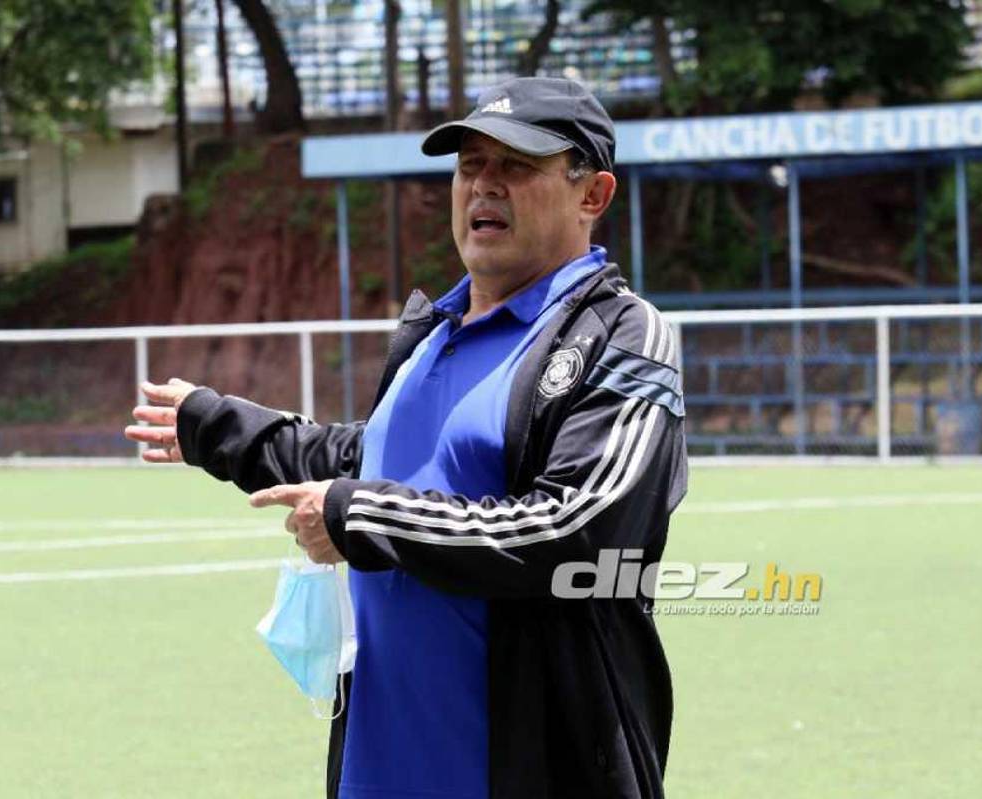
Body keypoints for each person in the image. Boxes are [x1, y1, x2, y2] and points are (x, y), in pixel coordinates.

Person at [125, 77, 687, 799]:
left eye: (516, 166)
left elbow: (579, 529)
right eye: (469, 166)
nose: (484, 186)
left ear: (593, 195)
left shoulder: (624, 333)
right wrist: (216, 424)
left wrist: (358, 515)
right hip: (378, 768)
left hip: (532, 770)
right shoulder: (433, 335)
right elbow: (365, 460)